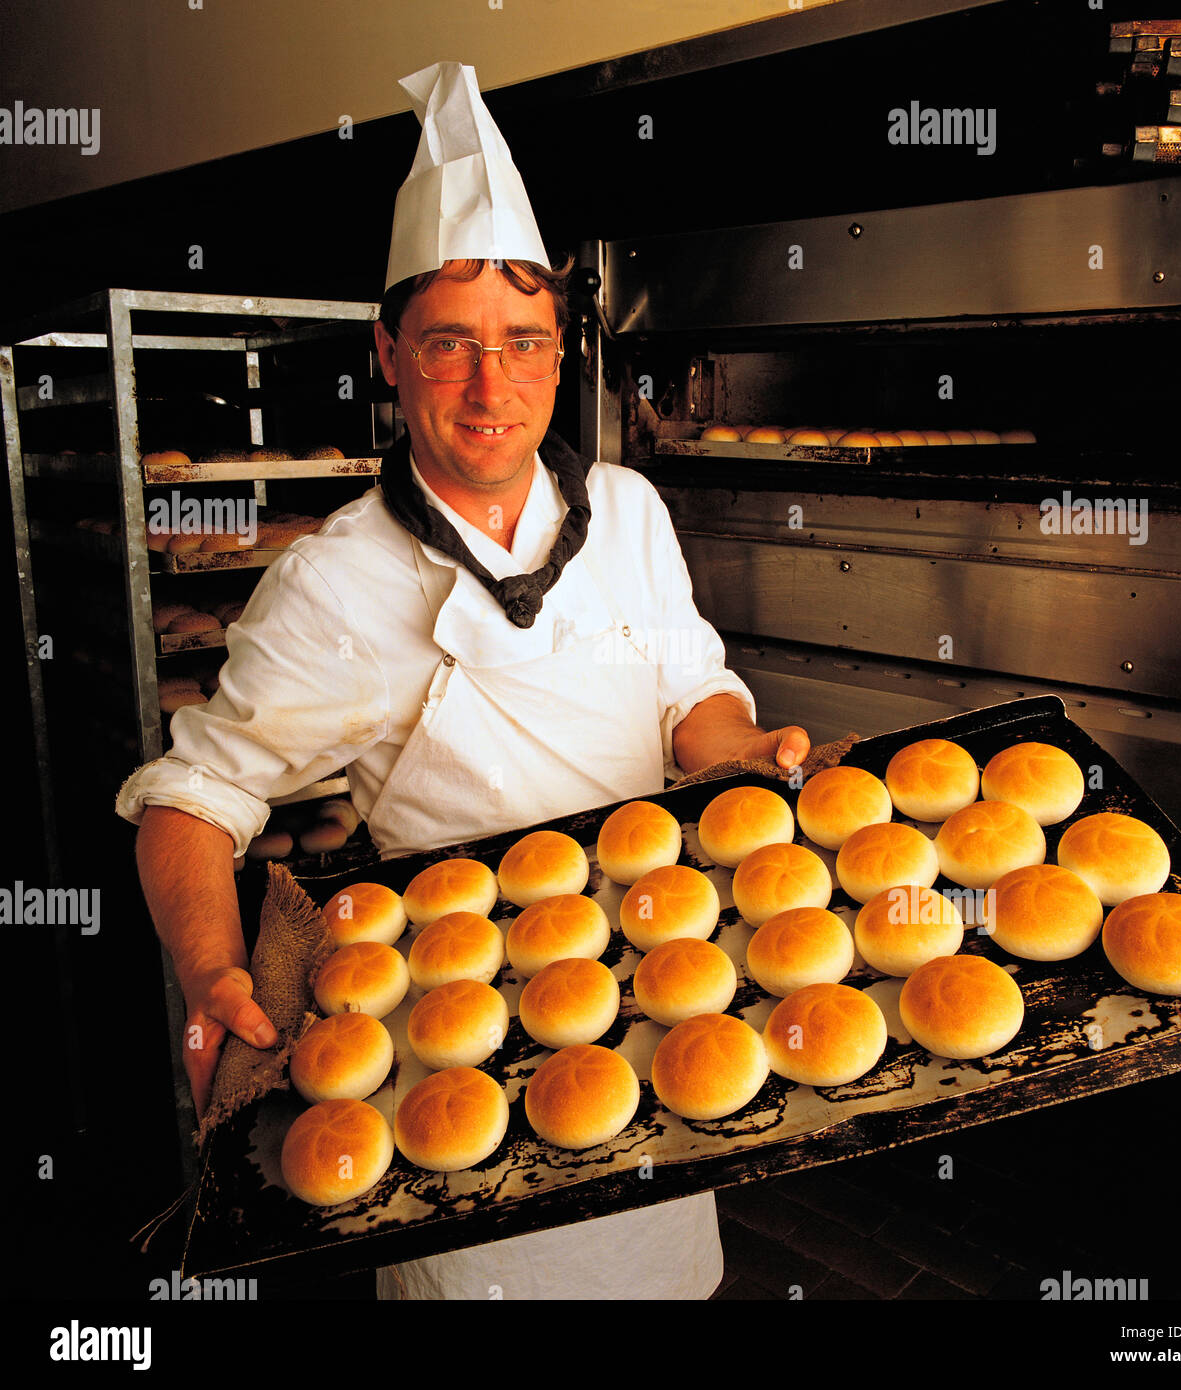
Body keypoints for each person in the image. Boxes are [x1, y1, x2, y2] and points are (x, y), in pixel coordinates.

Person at [118, 61, 810, 1300]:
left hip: (660, 981)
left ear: (559, 352)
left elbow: (685, 693)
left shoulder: (632, 511)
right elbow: (194, 791)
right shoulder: (334, 582)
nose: (492, 389)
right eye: (449, 345)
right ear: (388, 354)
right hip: (455, 1031)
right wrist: (211, 966)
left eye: (522, 343)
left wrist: (736, 756)